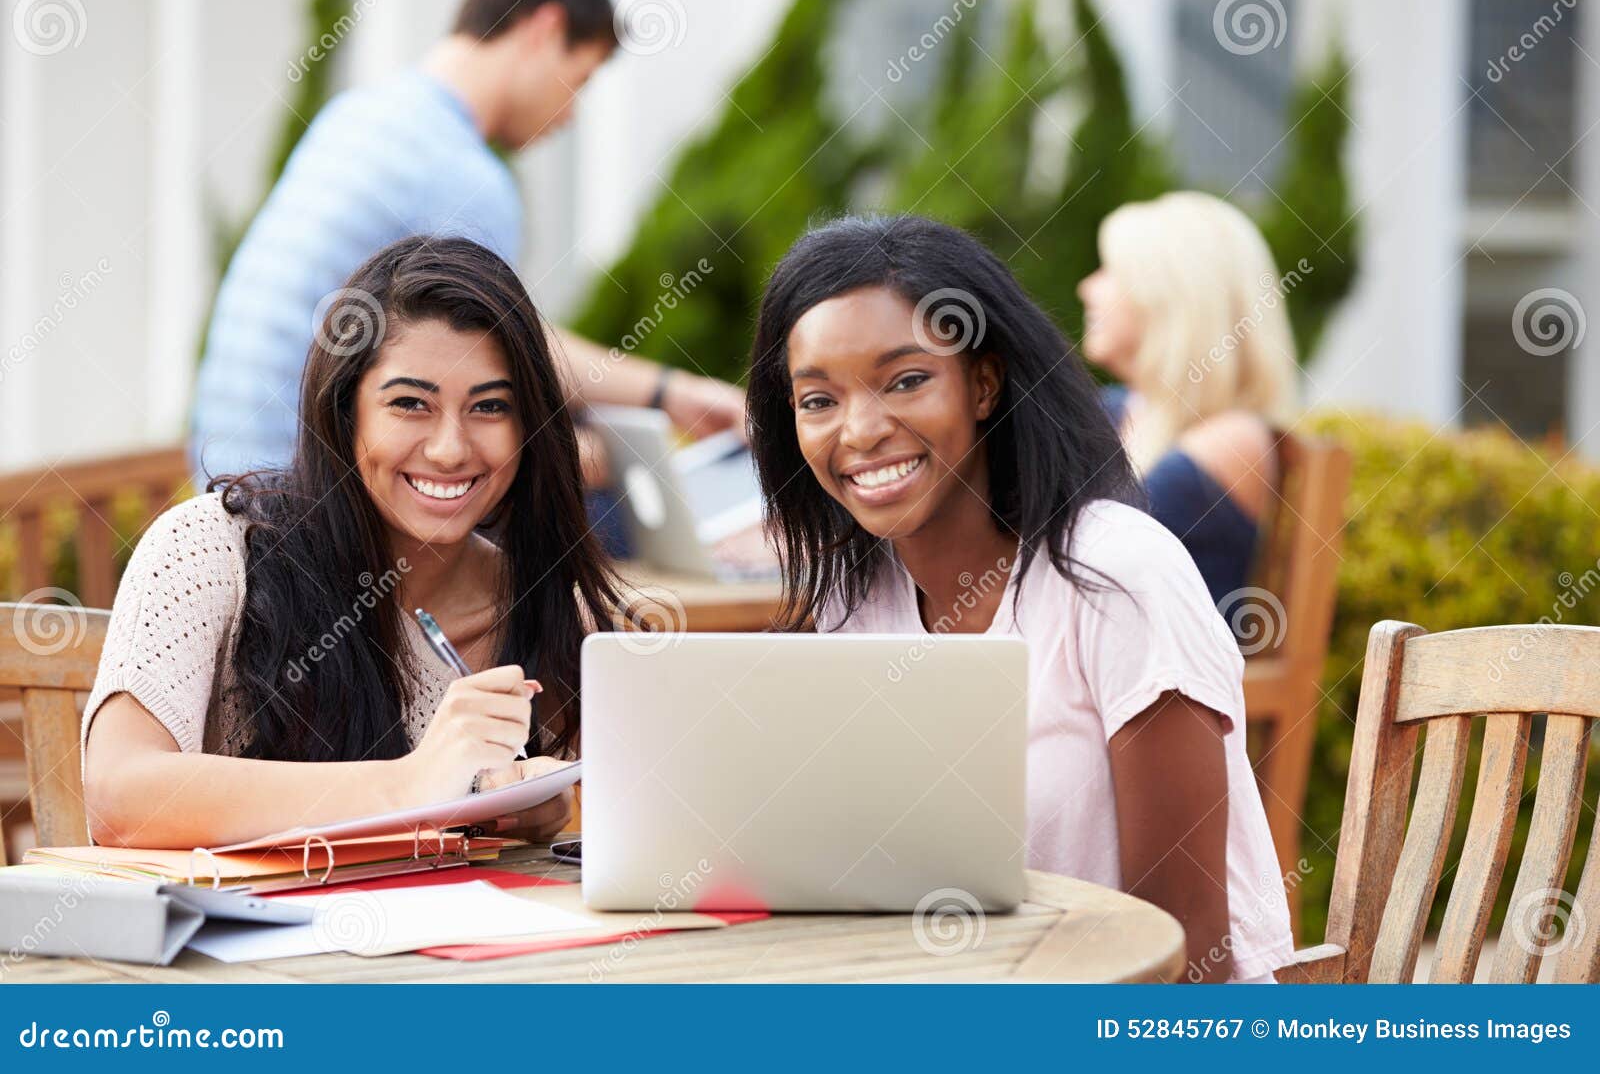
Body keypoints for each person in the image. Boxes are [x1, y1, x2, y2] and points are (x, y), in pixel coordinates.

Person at [746, 215, 1294, 983]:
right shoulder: (856, 606)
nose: (862, 431)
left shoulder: (1115, 575)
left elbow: (1188, 948)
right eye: (818, 400)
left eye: (906, 380)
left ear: (983, 382)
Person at [84, 237, 621, 849]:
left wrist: (524, 805)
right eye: (410, 404)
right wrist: (410, 788)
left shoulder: (550, 610)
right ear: (346, 414)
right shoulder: (210, 550)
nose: (450, 448)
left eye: (490, 407)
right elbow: (121, 798)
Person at [190, 0, 743, 488]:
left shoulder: (358, 116)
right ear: (544, 30)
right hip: (303, 501)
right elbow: (510, 359)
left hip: (229, 475)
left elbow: (506, 341)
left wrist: (667, 396)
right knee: (601, 497)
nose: (571, 113)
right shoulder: (460, 171)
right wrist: (651, 426)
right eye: (579, 80)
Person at [1078, 191, 1298, 615]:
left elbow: (1095, 558)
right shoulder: (1121, 410)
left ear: (1172, 297)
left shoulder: (1233, 439)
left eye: (1110, 271)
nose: (1087, 287)